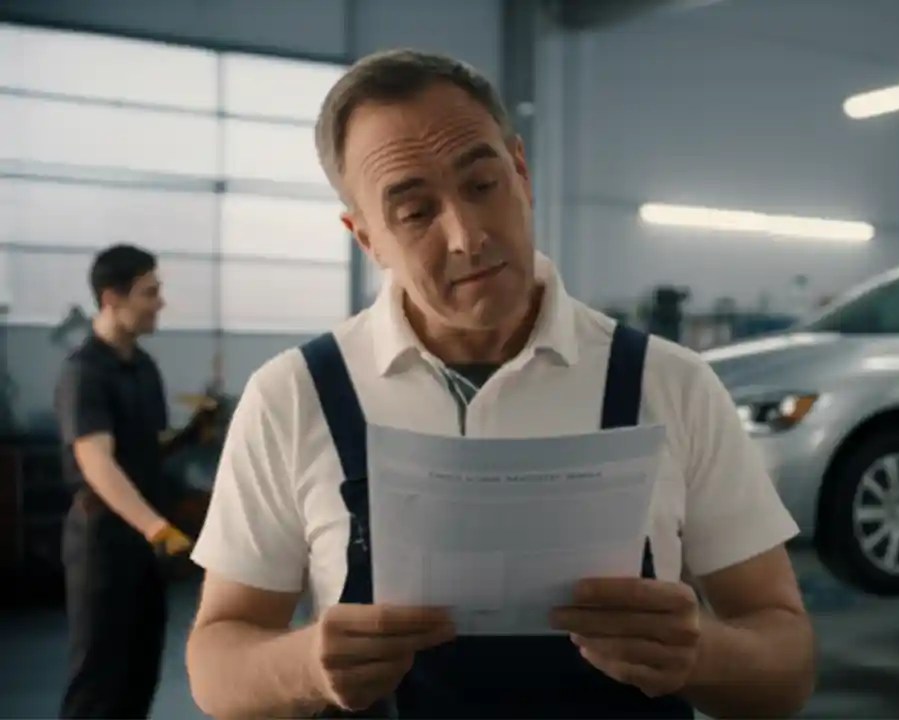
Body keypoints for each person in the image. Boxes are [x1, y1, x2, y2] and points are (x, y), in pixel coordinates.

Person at [186, 49, 816, 719]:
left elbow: (787, 663)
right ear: (365, 236)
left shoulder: (671, 384)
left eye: (482, 184)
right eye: (415, 211)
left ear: (520, 172)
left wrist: (702, 656)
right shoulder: (295, 396)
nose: (467, 235)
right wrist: (305, 666)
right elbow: (217, 665)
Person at [55, 244, 215, 718]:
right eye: (150, 292)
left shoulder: (143, 368)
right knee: (99, 681)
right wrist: (156, 528)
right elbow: (98, 464)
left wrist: (190, 434)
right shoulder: (84, 373)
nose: (160, 302)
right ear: (112, 297)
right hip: (104, 545)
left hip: (145, 547)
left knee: (140, 674)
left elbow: (142, 451)